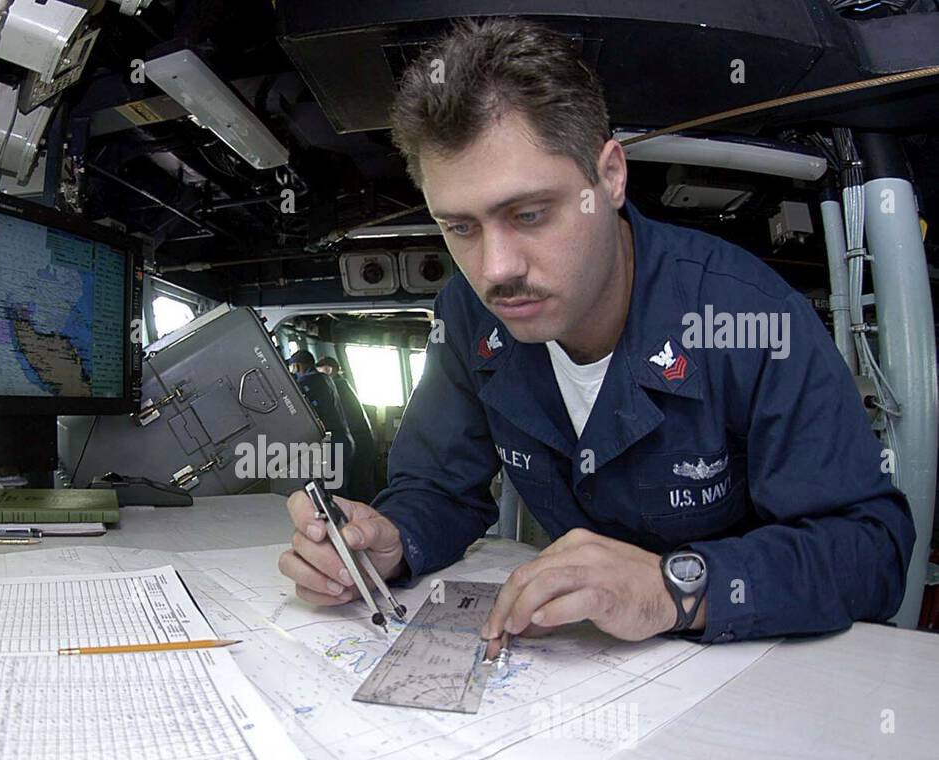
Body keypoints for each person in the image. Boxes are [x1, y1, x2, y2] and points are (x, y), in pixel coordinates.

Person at [278, 17, 913, 648]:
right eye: (460, 228)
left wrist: (674, 588)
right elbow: (437, 488)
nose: (496, 270)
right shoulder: (469, 317)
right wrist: (392, 540)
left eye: (530, 214)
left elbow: (871, 552)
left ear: (609, 176)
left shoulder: (750, 317)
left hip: (749, 657)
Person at [288, 349, 353, 492]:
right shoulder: (325, 378)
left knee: (332, 490)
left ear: (298, 366)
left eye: (293, 368)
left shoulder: (307, 381)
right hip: (343, 440)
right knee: (340, 488)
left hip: (332, 443)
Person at [316, 356, 378, 502]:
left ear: (329, 369)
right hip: (360, 439)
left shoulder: (337, 386)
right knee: (361, 483)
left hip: (357, 439)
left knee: (357, 485)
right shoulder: (342, 384)